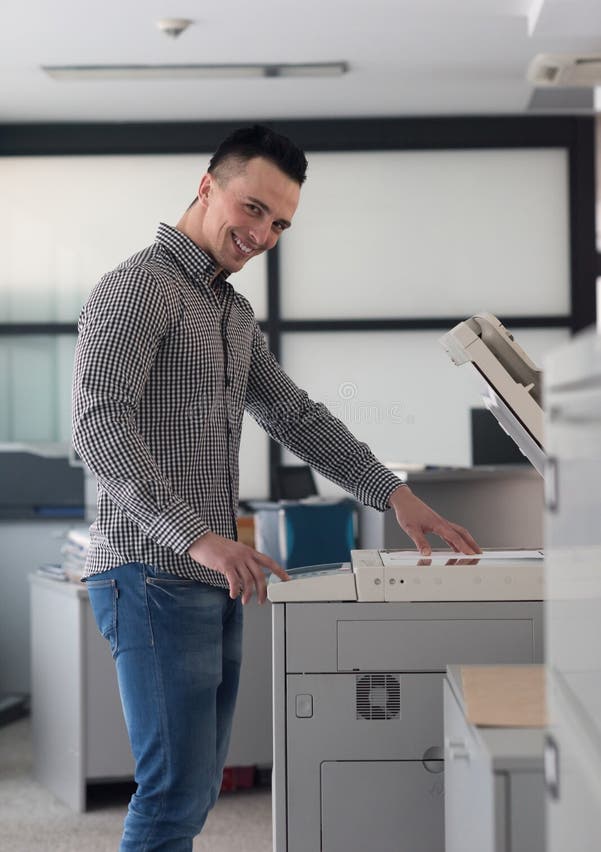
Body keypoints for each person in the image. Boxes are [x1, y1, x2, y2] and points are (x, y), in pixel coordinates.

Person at [72, 124, 480, 850]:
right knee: (171, 795)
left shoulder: (229, 310)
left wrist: (393, 494)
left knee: (193, 790)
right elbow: (99, 428)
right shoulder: (139, 289)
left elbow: (292, 414)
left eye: (281, 222)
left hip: (206, 572)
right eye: (254, 208)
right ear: (207, 186)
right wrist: (201, 540)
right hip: (152, 571)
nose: (263, 233)